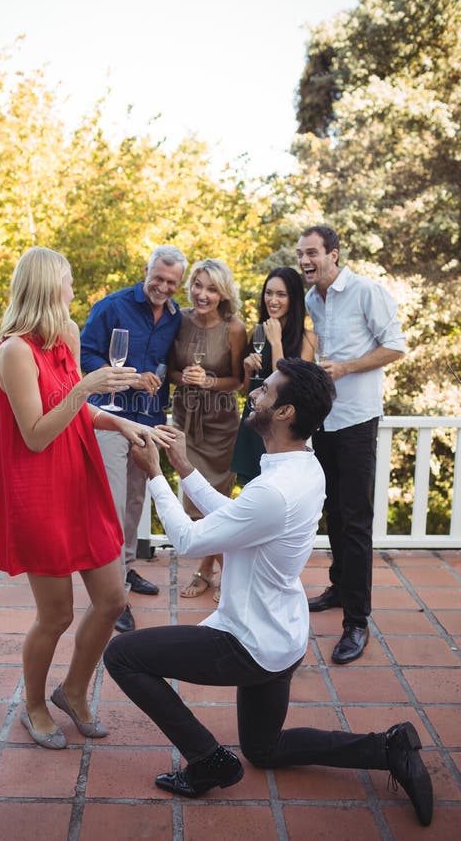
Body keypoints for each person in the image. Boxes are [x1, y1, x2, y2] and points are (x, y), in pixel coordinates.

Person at [103, 358, 432, 827]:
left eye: (267, 390)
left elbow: (191, 541)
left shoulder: (275, 490)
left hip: (248, 644)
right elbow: (238, 519)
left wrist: (155, 475)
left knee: (123, 656)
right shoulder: (301, 469)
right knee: (264, 749)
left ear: (285, 413)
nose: (254, 393)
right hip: (283, 637)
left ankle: (207, 761)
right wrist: (182, 466)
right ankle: (387, 747)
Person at [0, 246, 152, 749]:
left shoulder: (66, 334)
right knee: (56, 615)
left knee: (112, 599)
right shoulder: (15, 350)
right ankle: (34, 706)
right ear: (45, 286)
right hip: (39, 491)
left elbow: (74, 409)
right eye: (68, 281)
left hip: (81, 483)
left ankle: (74, 692)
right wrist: (88, 388)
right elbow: (37, 433)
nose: (74, 291)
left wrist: (118, 420)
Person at [297, 225, 405, 664]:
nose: (305, 260)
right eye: (301, 253)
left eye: (313, 253)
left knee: (356, 521)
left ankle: (356, 622)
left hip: (359, 419)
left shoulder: (366, 291)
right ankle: (340, 588)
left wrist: (345, 369)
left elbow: (394, 347)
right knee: (334, 513)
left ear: (334, 254)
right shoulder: (311, 299)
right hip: (326, 420)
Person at [81, 244, 188, 632]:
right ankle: (113, 596)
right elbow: (85, 355)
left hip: (149, 419)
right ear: (147, 270)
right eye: (157, 278)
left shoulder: (176, 317)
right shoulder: (112, 306)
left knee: (134, 501)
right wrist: (130, 377)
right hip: (110, 417)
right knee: (111, 502)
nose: (162, 286)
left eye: (171, 282)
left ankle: (124, 571)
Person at [168, 259, 247, 603]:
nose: (203, 294)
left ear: (223, 293)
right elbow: (168, 368)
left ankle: (208, 570)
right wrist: (180, 377)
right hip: (186, 421)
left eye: (212, 288)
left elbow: (240, 382)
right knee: (191, 505)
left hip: (221, 424)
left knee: (217, 505)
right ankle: (222, 569)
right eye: (198, 285)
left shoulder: (235, 328)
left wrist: (211, 381)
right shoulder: (178, 320)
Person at [231, 266, 316, 487]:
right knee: (251, 492)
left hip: (280, 429)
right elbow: (247, 390)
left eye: (281, 294)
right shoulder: (258, 333)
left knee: (277, 490)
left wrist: (277, 342)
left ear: (293, 298)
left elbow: (291, 388)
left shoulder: (308, 339)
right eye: (269, 293)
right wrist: (248, 370)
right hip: (254, 421)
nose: (273, 300)